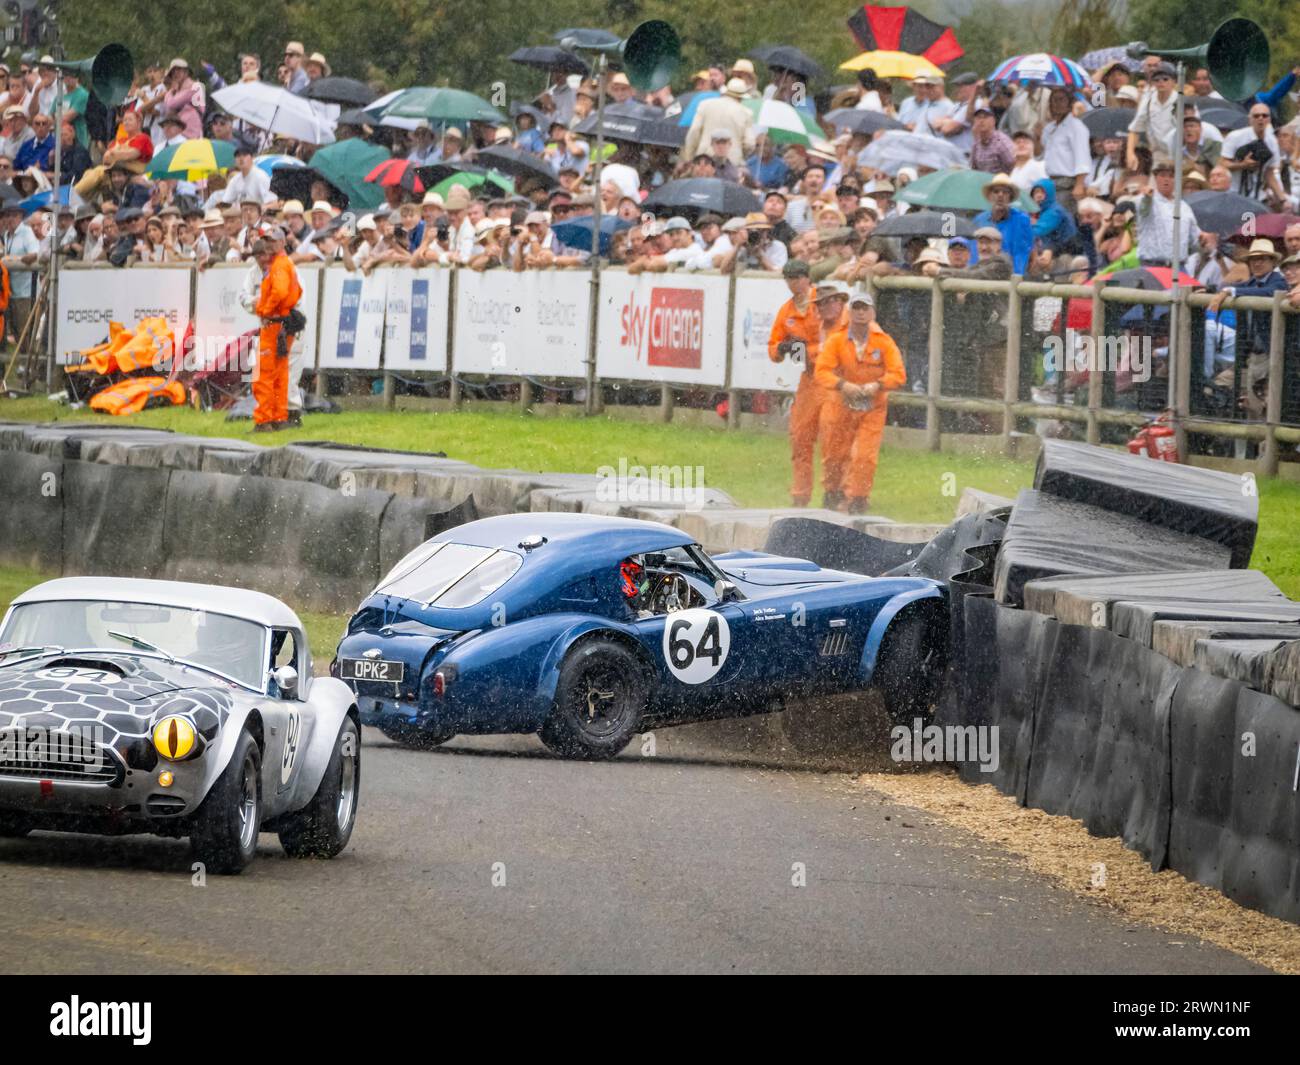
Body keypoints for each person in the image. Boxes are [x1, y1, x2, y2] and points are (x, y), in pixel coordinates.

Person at [815, 290, 905, 514]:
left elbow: (898, 374)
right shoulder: (836, 340)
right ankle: (832, 493)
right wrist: (843, 385)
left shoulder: (884, 342)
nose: (860, 313)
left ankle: (858, 500)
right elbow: (822, 371)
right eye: (856, 308)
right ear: (849, 312)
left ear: (873, 312)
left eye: (865, 308)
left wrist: (878, 385)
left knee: (864, 455)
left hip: (871, 406)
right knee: (834, 455)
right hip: (840, 404)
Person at [768, 259, 828, 507]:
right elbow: (772, 348)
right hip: (809, 379)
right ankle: (800, 496)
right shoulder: (787, 311)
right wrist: (783, 348)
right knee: (800, 436)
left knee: (832, 439)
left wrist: (807, 349)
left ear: (807, 278)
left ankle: (835, 494)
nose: (794, 283)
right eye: (789, 279)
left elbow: (834, 341)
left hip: (831, 378)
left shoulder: (824, 302)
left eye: (798, 277)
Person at [252, 231, 303, 431]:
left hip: (273, 325)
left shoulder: (279, 266)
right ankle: (279, 417)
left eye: (273, 241)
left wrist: (265, 310)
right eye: (268, 242)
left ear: (282, 242)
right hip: (284, 324)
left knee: (264, 374)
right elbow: (298, 291)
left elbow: (280, 292)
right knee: (280, 373)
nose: (270, 245)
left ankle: (264, 420)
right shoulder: (286, 264)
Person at [974, 173, 1034, 274]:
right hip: (982, 274)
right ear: (990, 196)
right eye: (996, 191)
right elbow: (974, 252)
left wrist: (1014, 278)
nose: (1000, 195)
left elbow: (1021, 254)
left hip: (1009, 275)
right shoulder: (979, 220)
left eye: (1005, 192)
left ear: (1010, 197)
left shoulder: (1021, 220)